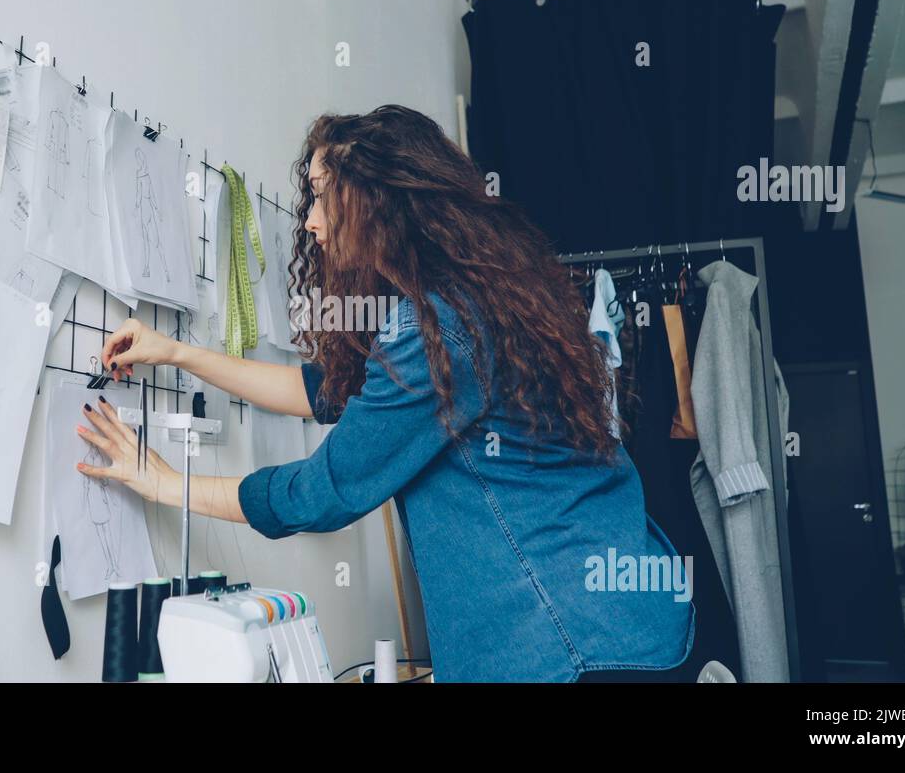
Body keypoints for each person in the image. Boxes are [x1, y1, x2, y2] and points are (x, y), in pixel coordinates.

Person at [74, 105, 695, 682]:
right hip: (632, 623)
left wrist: (165, 484)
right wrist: (177, 352)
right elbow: (323, 391)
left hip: (567, 643)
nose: (310, 221)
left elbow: (322, 493)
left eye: (320, 197)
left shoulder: (438, 327)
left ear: (376, 201)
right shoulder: (483, 300)